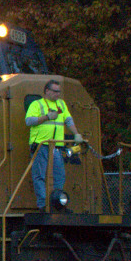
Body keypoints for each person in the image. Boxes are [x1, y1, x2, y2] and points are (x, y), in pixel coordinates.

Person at [25, 80, 82, 211]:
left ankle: (57, 204)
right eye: (55, 91)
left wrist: (76, 134)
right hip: (40, 145)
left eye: (59, 91)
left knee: (59, 175)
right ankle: (43, 205)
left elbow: (68, 119)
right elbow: (29, 121)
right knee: (39, 175)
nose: (58, 94)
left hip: (56, 147)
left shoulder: (61, 103)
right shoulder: (37, 104)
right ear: (47, 91)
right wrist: (46, 117)